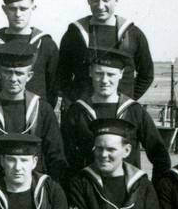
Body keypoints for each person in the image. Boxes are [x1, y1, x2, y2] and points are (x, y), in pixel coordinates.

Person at [0, 40, 67, 190]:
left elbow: (56, 155)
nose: (13, 79)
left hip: (34, 188)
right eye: (7, 72)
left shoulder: (42, 109)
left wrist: (52, 192)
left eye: (19, 73)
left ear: (29, 75)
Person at [61, 46, 170, 175]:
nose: (104, 80)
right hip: (87, 189)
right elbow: (64, 156)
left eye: (110, 74)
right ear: (90, 72)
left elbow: (159, 154)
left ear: (121, 73)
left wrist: (153, 189)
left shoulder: (134, 111)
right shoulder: (77, 111)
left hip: (128, 190)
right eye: (99, 73)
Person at [57, 0, 155, 105]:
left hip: (119, 113)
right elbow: (61, 75)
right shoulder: (75, 34)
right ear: (88, 0)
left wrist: (128, 99)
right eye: (95, 0)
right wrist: (75, 101)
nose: (100, 6)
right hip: (83, 113)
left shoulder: (132, 34)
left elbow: (146, 75)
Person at [0, 0, 59, 108]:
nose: (18, 14)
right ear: (4, 9)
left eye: (23, 8)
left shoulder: (46, 44)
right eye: (12, 8)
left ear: (33, 7)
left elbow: (53, 86)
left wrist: (45, 109)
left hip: (35, 112)